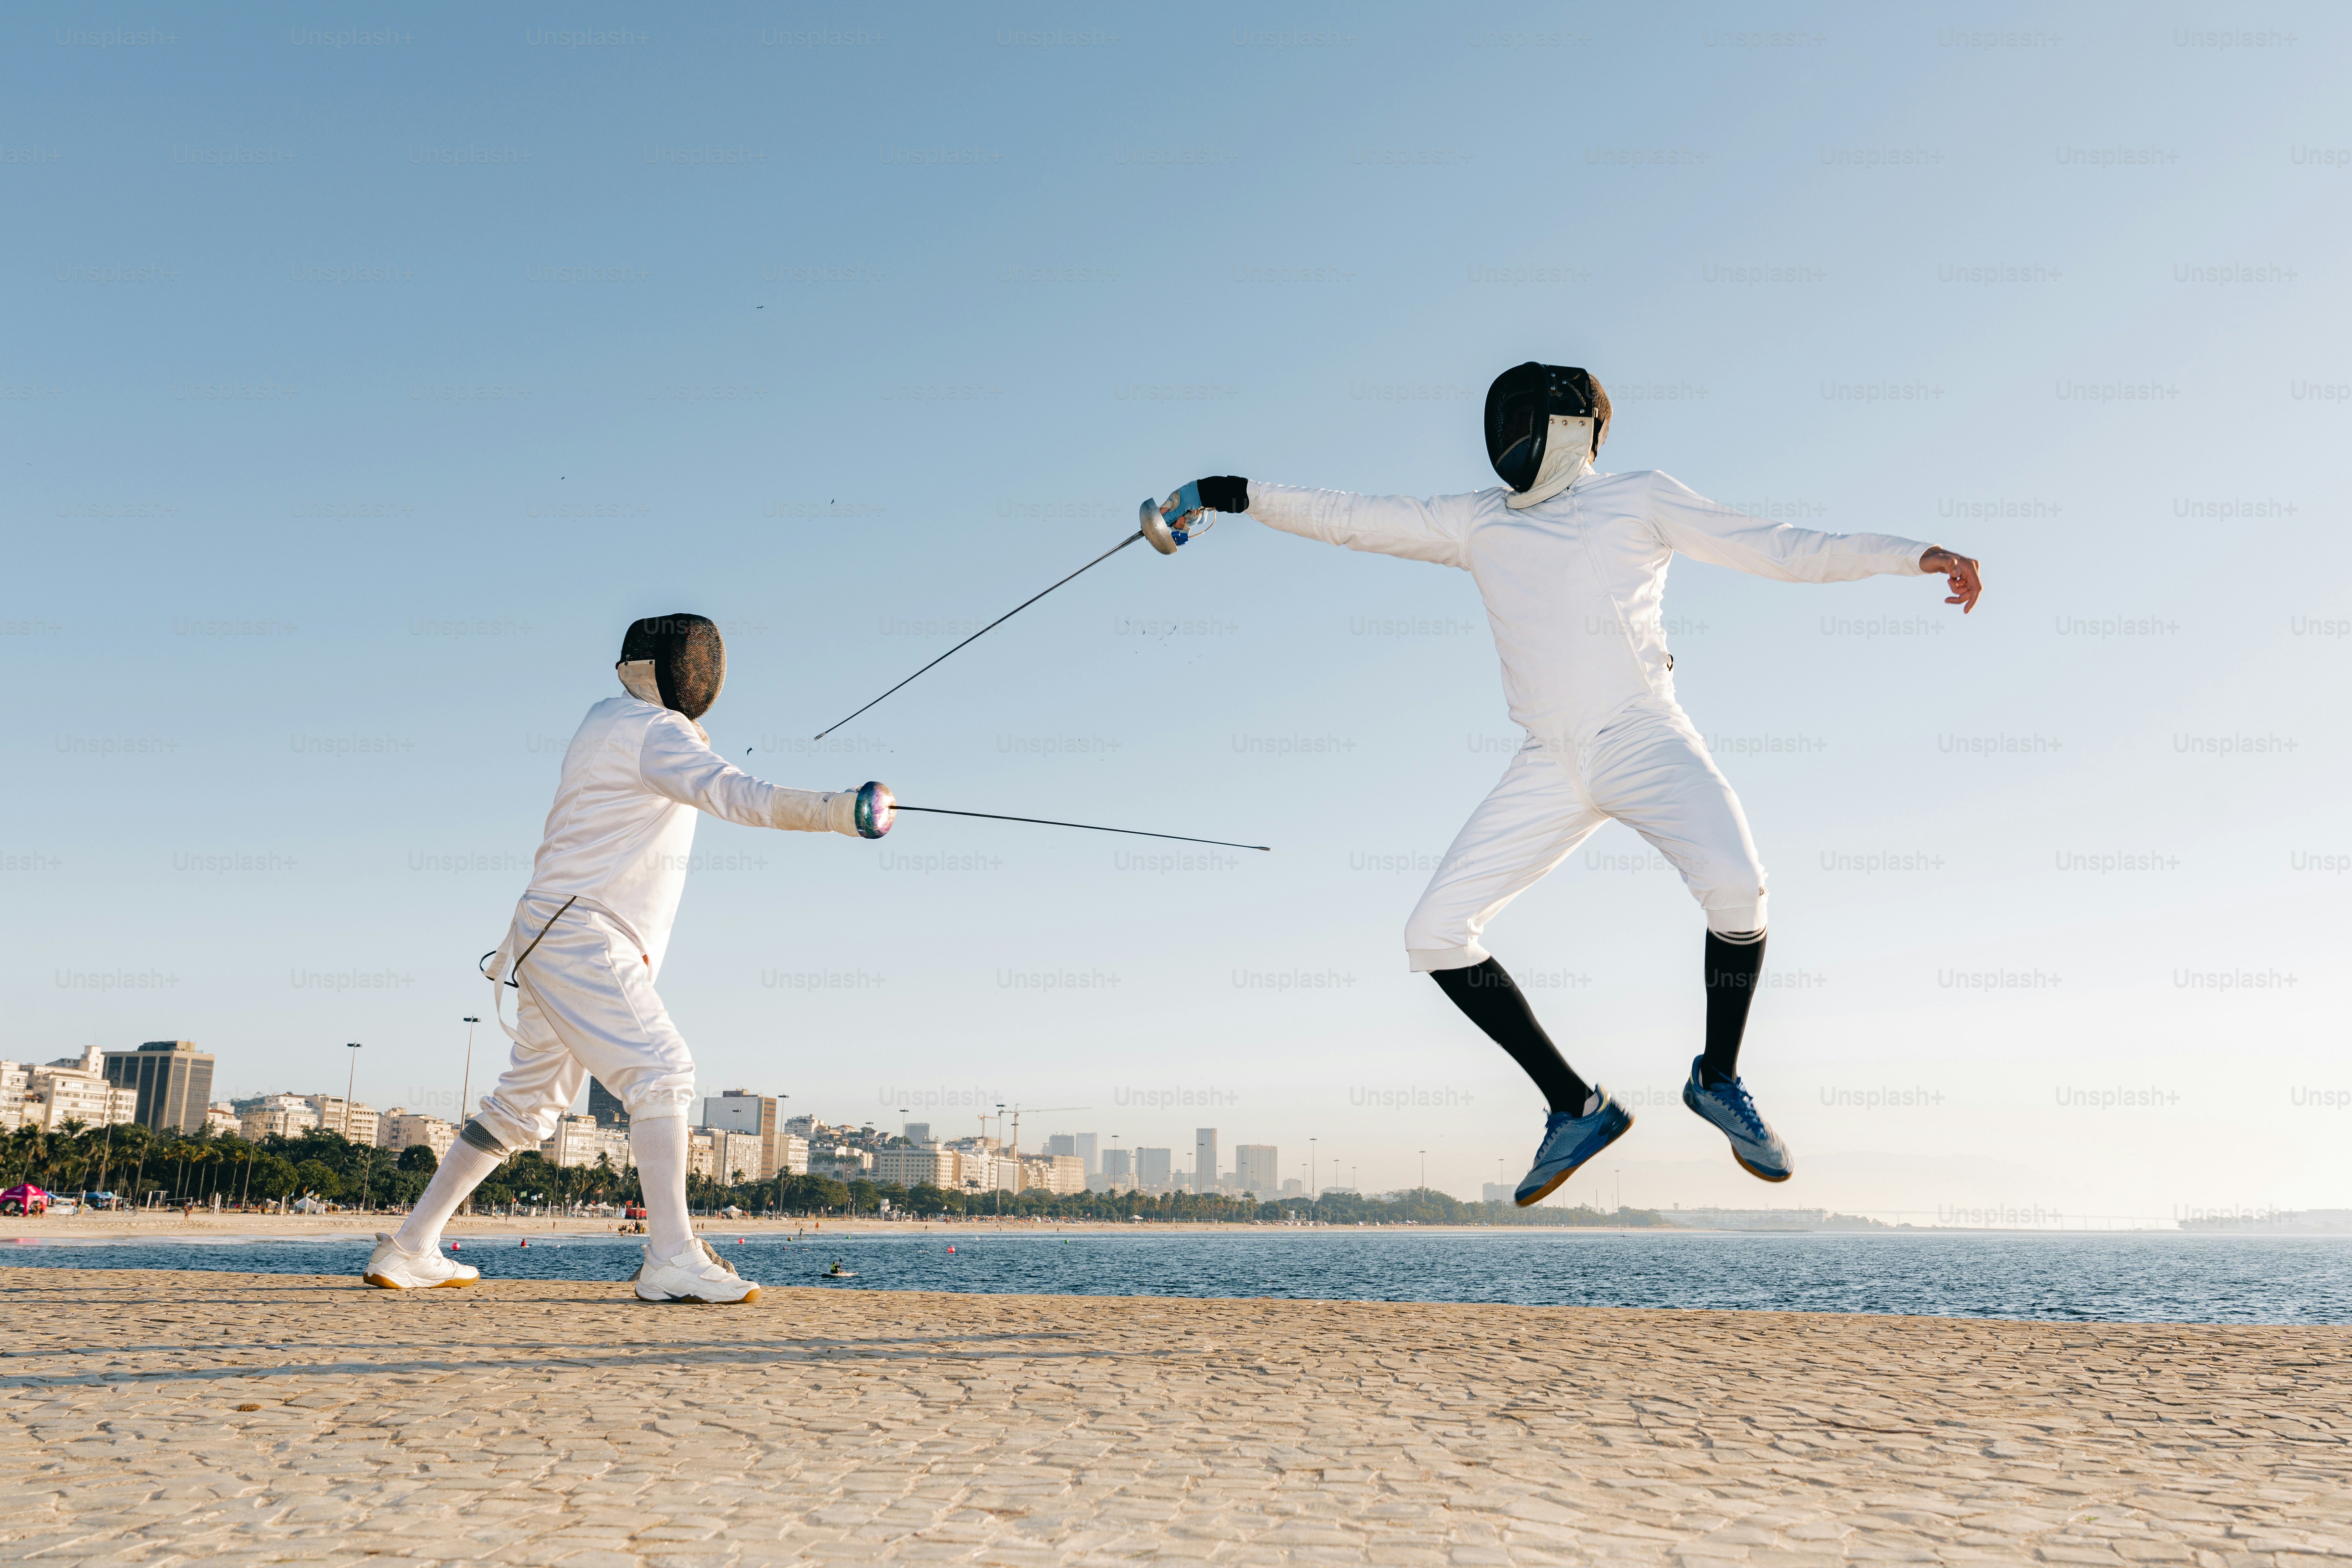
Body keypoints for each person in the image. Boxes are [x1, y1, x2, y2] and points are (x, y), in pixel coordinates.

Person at [1162, 362, 1982, 1205]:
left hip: (1641, 734)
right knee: (1435, 933)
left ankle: (1718, 1079)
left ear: (1569, 427)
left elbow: (1780, 546)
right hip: (1548, 760)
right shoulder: (1474, 522)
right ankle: (1574, 1107)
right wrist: (1232, 492)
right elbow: (1350, 518)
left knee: (1738, 886)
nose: (1506, 438)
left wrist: (1912, 557)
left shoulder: (1638, 497)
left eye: (1523, 419)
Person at [362, 613, 895, 1299]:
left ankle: (410, 1246)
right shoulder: (655, 732)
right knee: (664, 1070)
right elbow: (741, 795)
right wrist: (841, 809)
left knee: (525, 1107)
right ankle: (670, 1256)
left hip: (547, 932)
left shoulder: (607, 721)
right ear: (672, 672)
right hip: (585, 933)